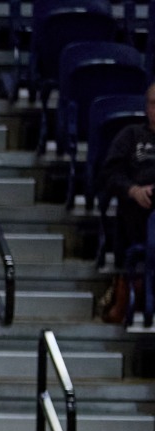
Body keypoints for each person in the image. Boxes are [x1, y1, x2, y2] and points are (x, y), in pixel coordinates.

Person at [99, 82, 155, 319]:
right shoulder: (130, 135)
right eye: (154, 104)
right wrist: (133, 190)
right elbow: (110, 174)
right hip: (139, 210)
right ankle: (128, 287)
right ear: (147, 108)